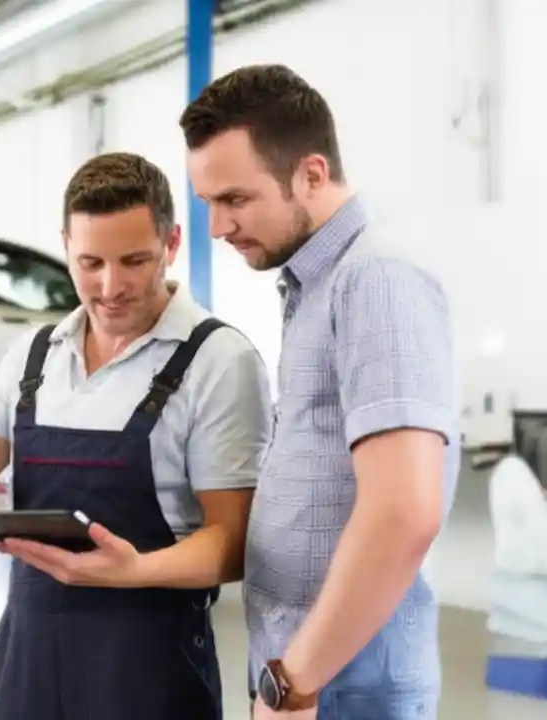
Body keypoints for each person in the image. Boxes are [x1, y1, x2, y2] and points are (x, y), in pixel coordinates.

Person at [0, 151, 273, 720]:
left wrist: (135, 571)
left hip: (148, 668)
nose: (111, 287)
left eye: (134, 260)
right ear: (65, 247)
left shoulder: (218, 361)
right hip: (27, 662)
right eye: (90, 263)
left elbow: (234, 543)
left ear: (172, 243)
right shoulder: (34, 356)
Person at [179, 64, 460, 720]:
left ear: (310, 173)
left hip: (340, 686)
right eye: (208, 204)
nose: (218, 227)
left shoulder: (377, 279)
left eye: (235, 199)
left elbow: (404, 513)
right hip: (311, 674)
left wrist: (292, 682)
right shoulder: (318, 285)